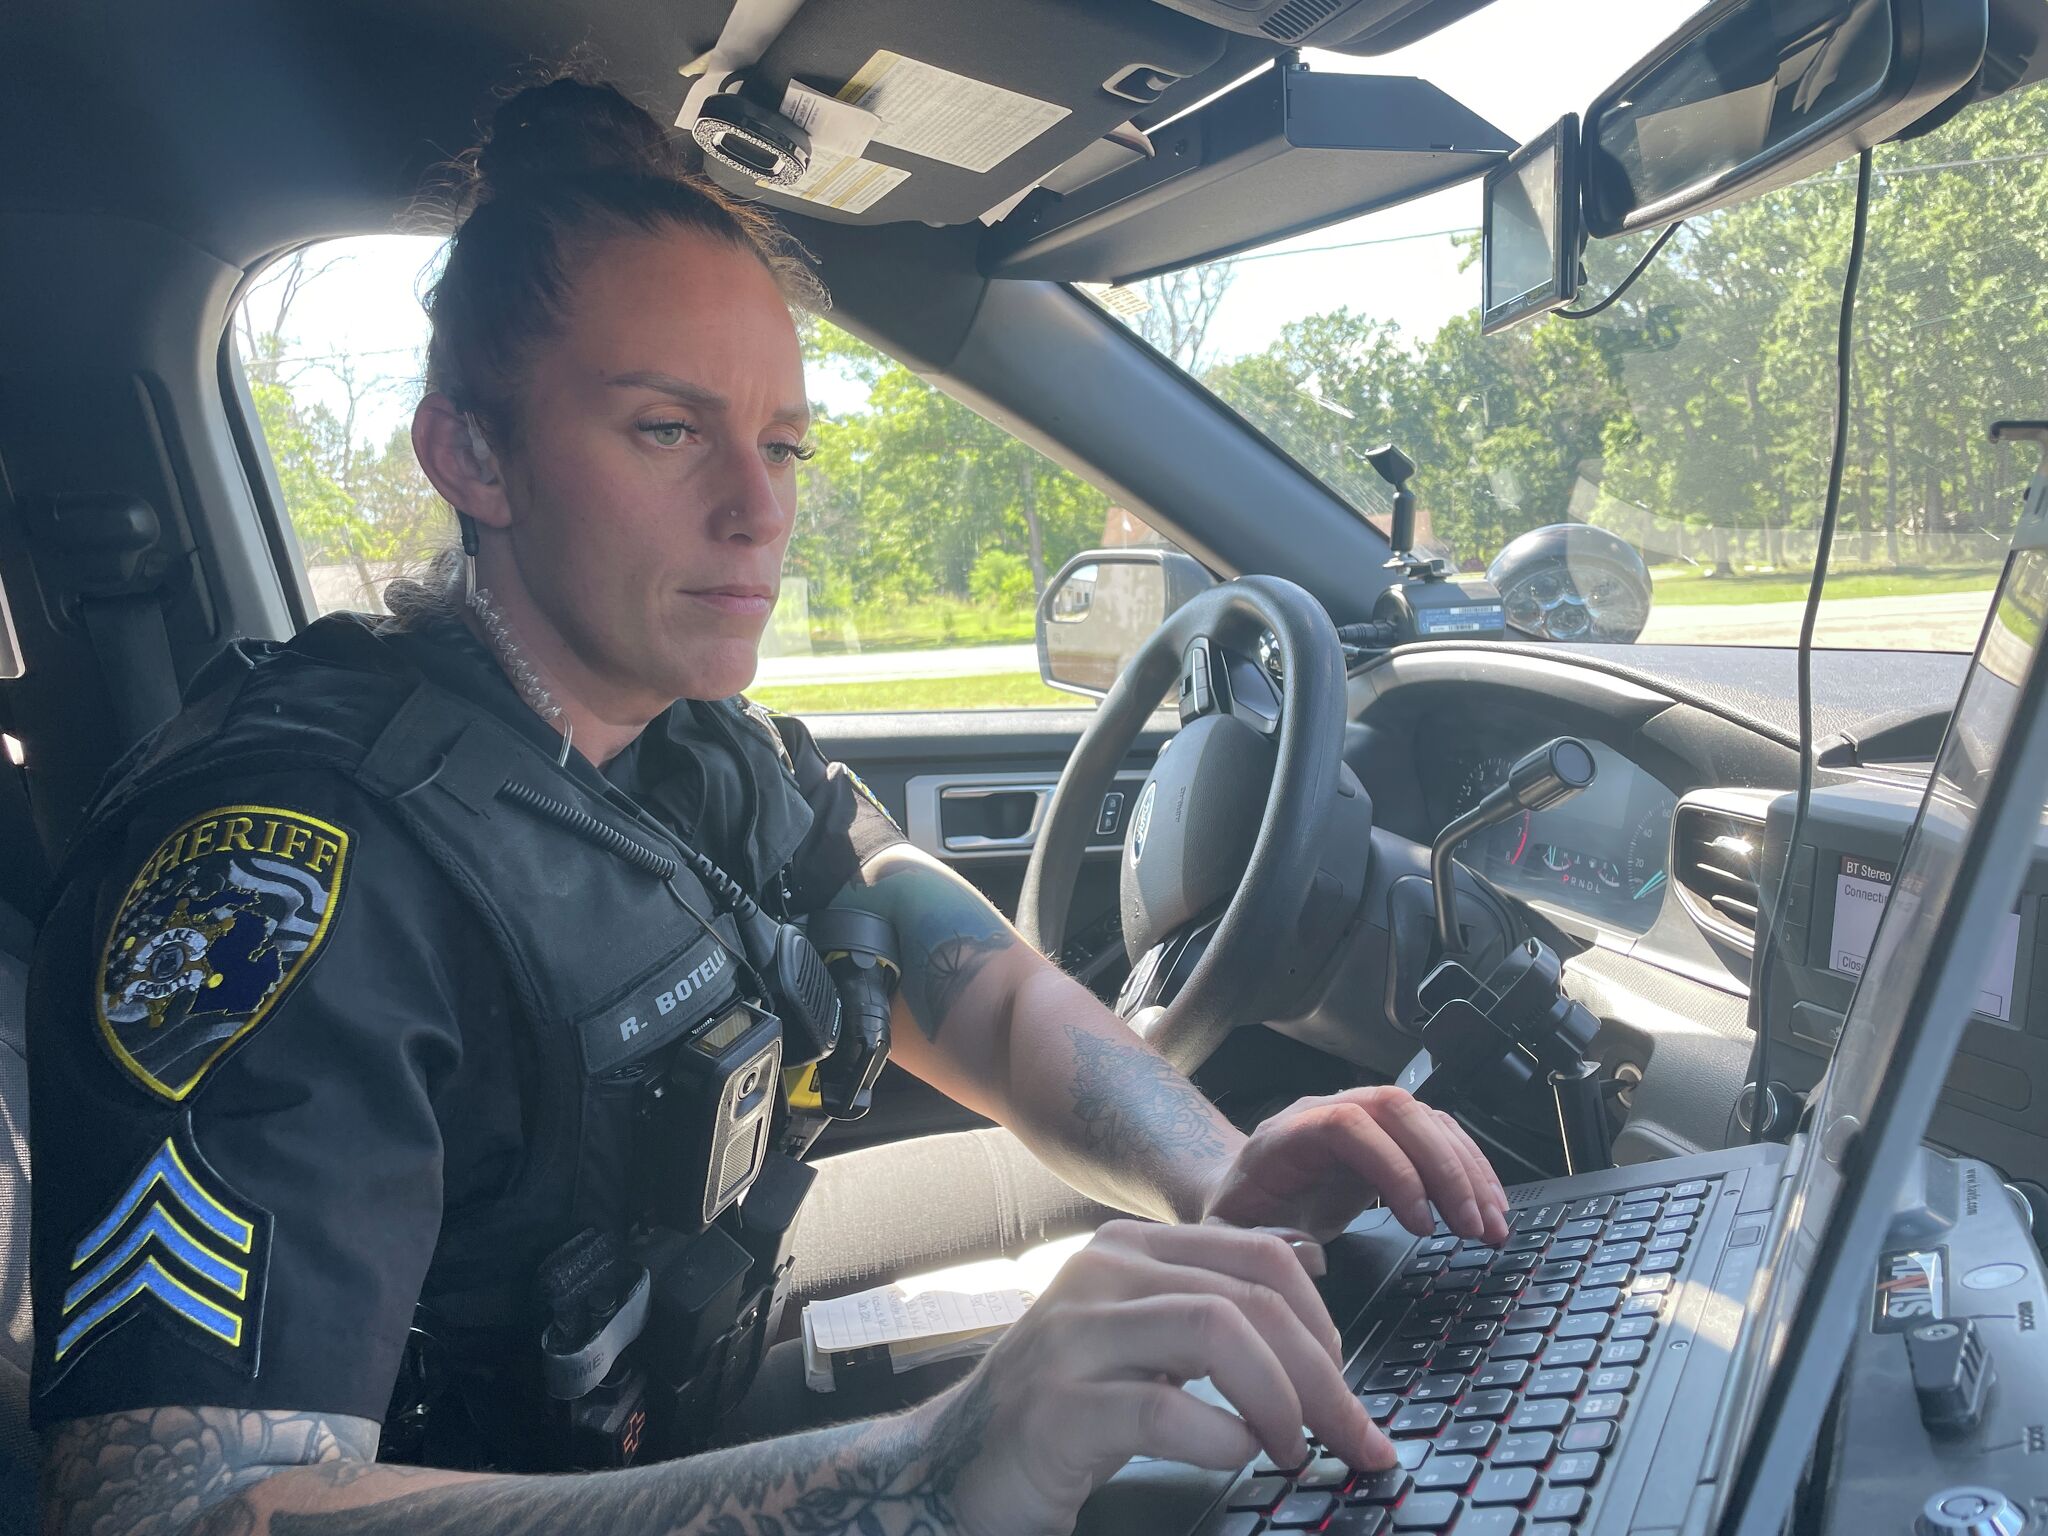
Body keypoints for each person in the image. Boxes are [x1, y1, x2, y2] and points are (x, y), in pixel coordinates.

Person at [29, 74, 1509, 1536]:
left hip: (676, 1385)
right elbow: (168, 1505)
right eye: (668, 431)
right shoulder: (287, 870)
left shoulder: (690, 742)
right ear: (472, 455)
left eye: (784, 441)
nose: (759, 508)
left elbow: (972, 985)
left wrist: (1214, 1168)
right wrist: (926, 1469)